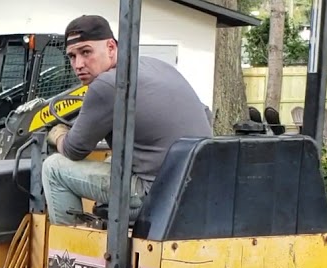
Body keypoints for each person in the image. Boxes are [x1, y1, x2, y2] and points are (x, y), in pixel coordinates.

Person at [42, 15, 213, 225]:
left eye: (86, 52)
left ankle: (67, 255)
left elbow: (74, 149)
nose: (78, 64)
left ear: (111, 48)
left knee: (53, 168)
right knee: (110, 160)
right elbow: (205, 113)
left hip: (155, 197)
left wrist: (57, 134)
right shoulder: (156, 66)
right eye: (72, 56)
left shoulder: (107, 84)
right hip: (196, 190)